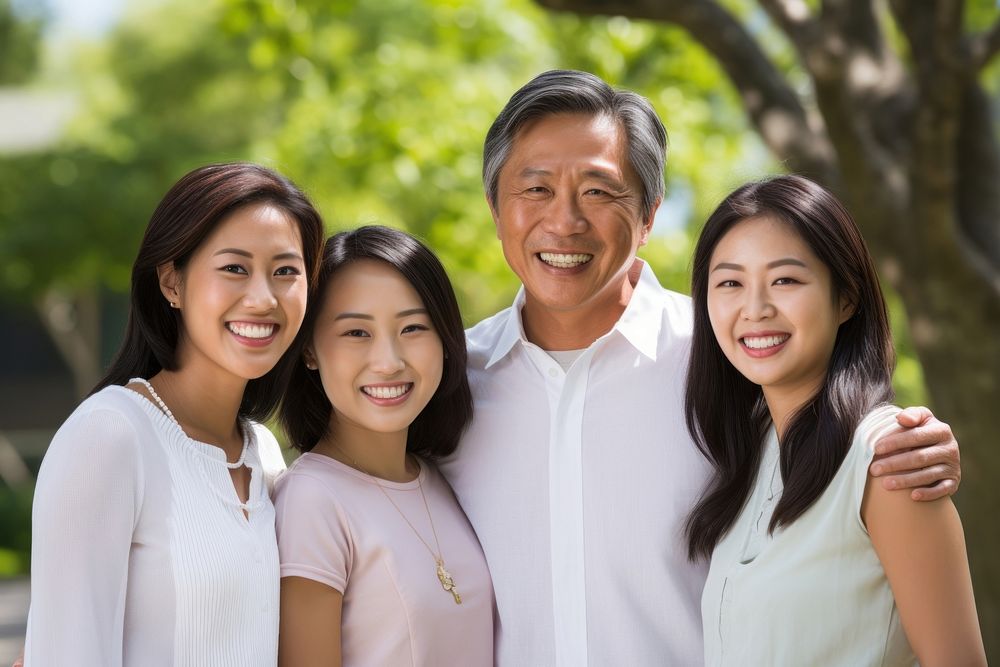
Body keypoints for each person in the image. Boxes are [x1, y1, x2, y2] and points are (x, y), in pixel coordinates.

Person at [437, 69, 964, 665]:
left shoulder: (730, 356)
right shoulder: (444, 384)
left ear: (650, 213)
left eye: (598, 191)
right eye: (534, 189)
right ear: (493, 205)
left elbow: (838, 435)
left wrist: (915, 444)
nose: (565, 222)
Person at [24, 162, 325, 666]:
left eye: (286, 271)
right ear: (172, 283)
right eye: (234, 268)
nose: (262, 297)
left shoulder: (263, 452)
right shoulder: (110, 434)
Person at [687, 175, 985, 665]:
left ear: (845, 298)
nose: (755, 308)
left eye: (785, 280)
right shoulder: (750, 451)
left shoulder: (890, 460)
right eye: (730, 283)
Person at [273, 226, 494, 666]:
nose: (389, 362)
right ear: (310, 350)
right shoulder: (311, 500)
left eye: (413, 327)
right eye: (356, 333)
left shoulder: (441, 476)